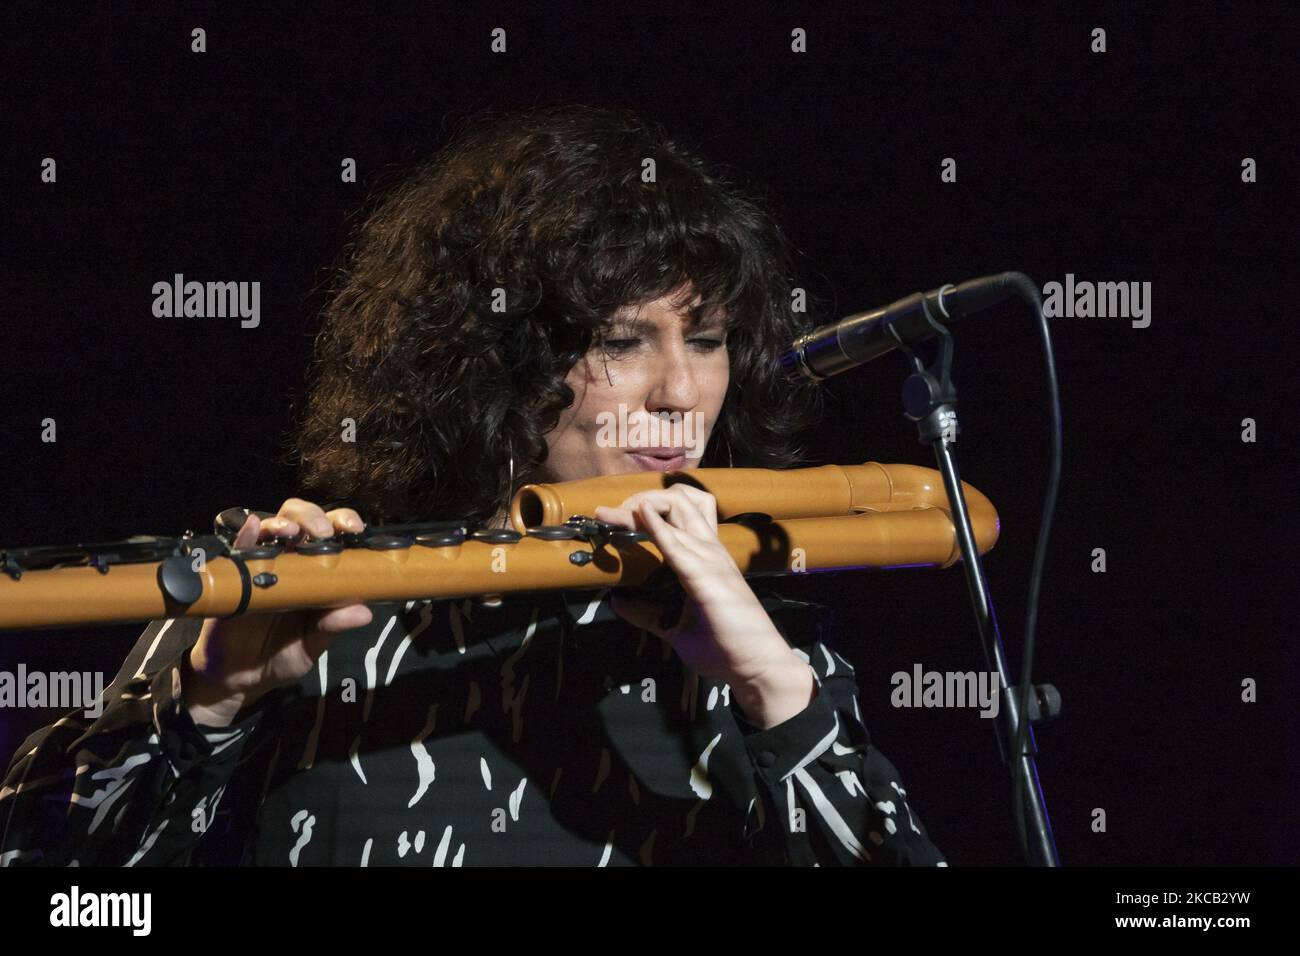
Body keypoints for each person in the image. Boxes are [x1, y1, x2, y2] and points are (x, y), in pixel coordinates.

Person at [0, 104, 946, 867]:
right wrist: (208, 703)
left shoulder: (750, 627)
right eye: (621, 342)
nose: (683, 393)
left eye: (707, 342)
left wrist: (775, 688)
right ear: (498, 358)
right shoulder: (306, 590)